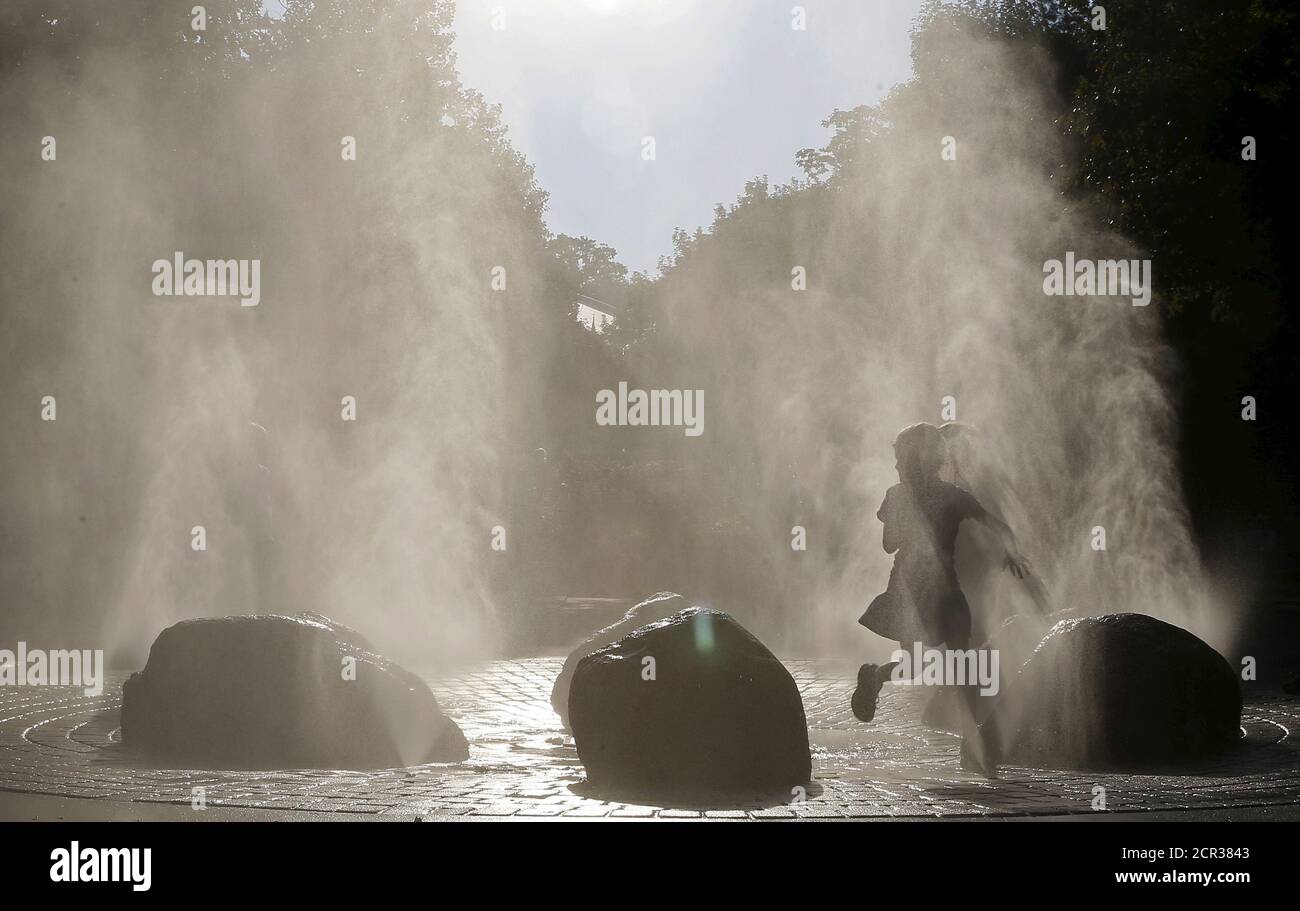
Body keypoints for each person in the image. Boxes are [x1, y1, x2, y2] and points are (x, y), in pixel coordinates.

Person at [852, 422, 1031, 777]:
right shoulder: (947, 495)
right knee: (920, 666)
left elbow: (889, 545)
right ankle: (876, 677)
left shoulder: (904, 495)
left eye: (900, 461)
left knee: (959, 665)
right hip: (919, 590)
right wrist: (1010, 551)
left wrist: (908, 520)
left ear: (913, 461)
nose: (897, 468)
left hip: (930, 589)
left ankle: (974, 745)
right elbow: (996, 524)